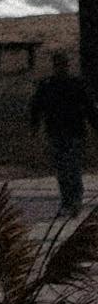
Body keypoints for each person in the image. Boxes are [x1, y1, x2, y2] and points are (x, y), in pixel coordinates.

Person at [29, 58, 90, 218]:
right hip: (55, 132)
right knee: (62, 169)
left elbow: (88, 107)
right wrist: (34, 129)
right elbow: (36, 108)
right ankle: (67, 200)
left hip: (74, 132)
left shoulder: (75, 85)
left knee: (72, 167)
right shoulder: (48, 86)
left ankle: (74, 199)